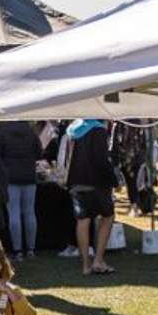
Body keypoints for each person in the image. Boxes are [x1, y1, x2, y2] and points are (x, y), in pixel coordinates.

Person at [62, 118, 121, 275]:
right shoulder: (98, 130)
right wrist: (114, 181)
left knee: (83, 220)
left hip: (76, 181)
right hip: (97, 183)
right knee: (108, 217)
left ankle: (86, 265)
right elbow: (101, 160)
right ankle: (98, 260)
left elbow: (66, 158)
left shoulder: (72, 130)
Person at [0, 114, 45, 257]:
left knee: (13, 213)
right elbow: (39, 153)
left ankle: (18, 250)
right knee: (29, 212)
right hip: (29, 175)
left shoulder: (1, 131)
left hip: (10, 176)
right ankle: (31, 249)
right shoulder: (31, 130)